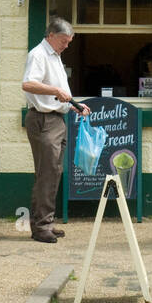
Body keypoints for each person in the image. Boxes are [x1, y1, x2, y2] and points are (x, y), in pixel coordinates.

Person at [22, 18, 90, 243]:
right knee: (47, 173)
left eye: (69, 42)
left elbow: (59, 94)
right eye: (64, 41)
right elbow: (28, 84)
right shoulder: (38, 55)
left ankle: (46, 222)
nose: (66, 45)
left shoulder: (54, 57)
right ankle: (41, 227)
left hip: (57, 118)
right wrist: (56, 91)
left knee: (53, 172)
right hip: (44, 119)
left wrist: (75, 105)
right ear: (51, 35)